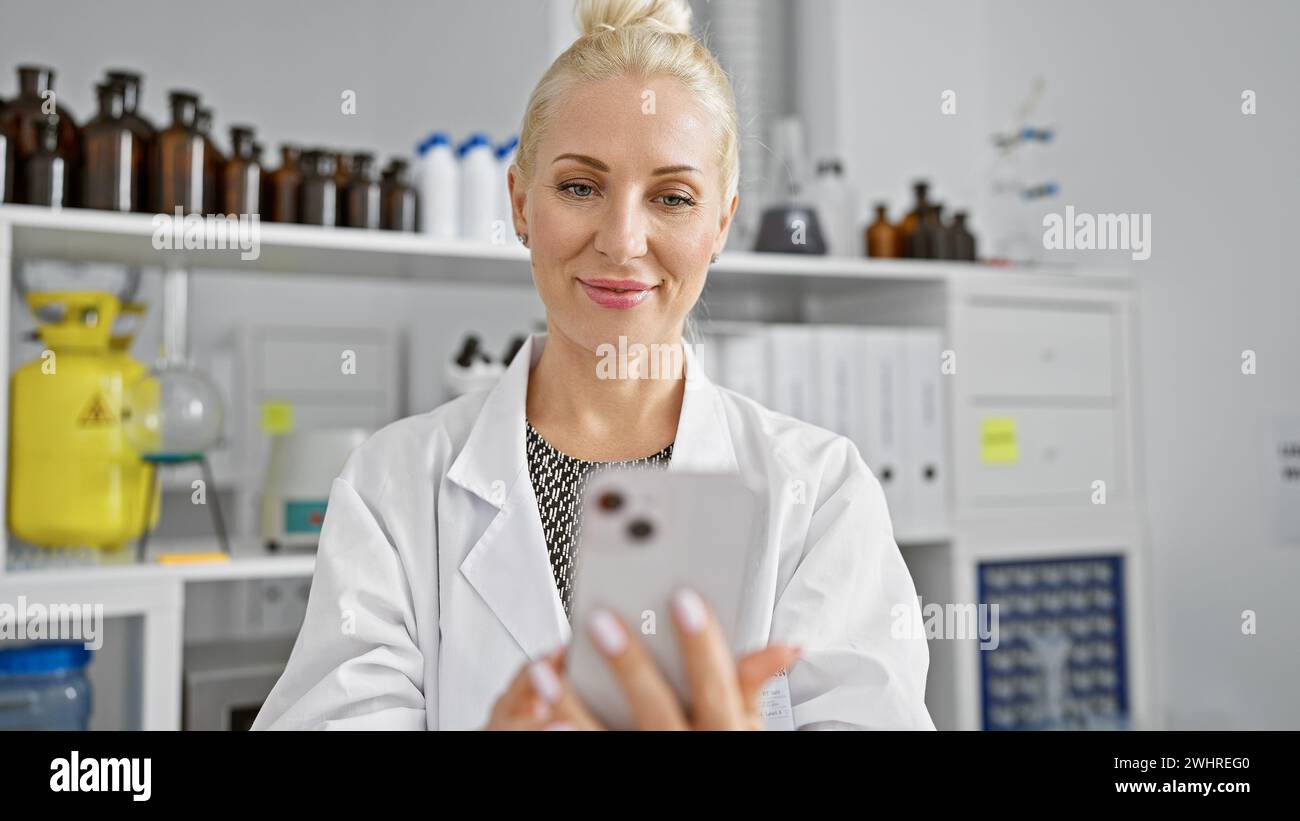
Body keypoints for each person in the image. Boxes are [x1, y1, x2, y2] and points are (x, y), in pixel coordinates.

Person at [252, 0, 934, 731]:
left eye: (672, 197)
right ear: (520, 203)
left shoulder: (821, 495)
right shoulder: (392, 489)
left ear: (720, 226)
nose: (622, 239)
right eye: (580, 187)